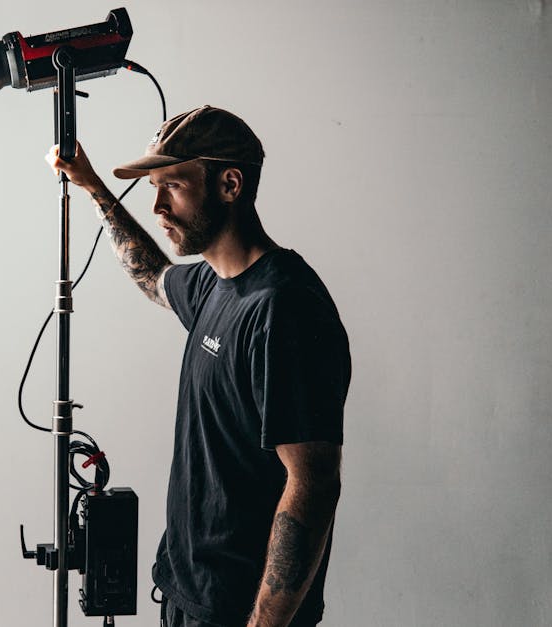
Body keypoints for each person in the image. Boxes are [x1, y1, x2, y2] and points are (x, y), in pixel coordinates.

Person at [45, 105, 351, 627]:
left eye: (174, 186)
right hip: (186, 592)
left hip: (238, 612)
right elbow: (153, 276)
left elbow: (314, 484)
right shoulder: (214, 286)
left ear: (230, 184)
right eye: (153, 188)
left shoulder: (283, 307)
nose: (159, 205)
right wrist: (93, 187)